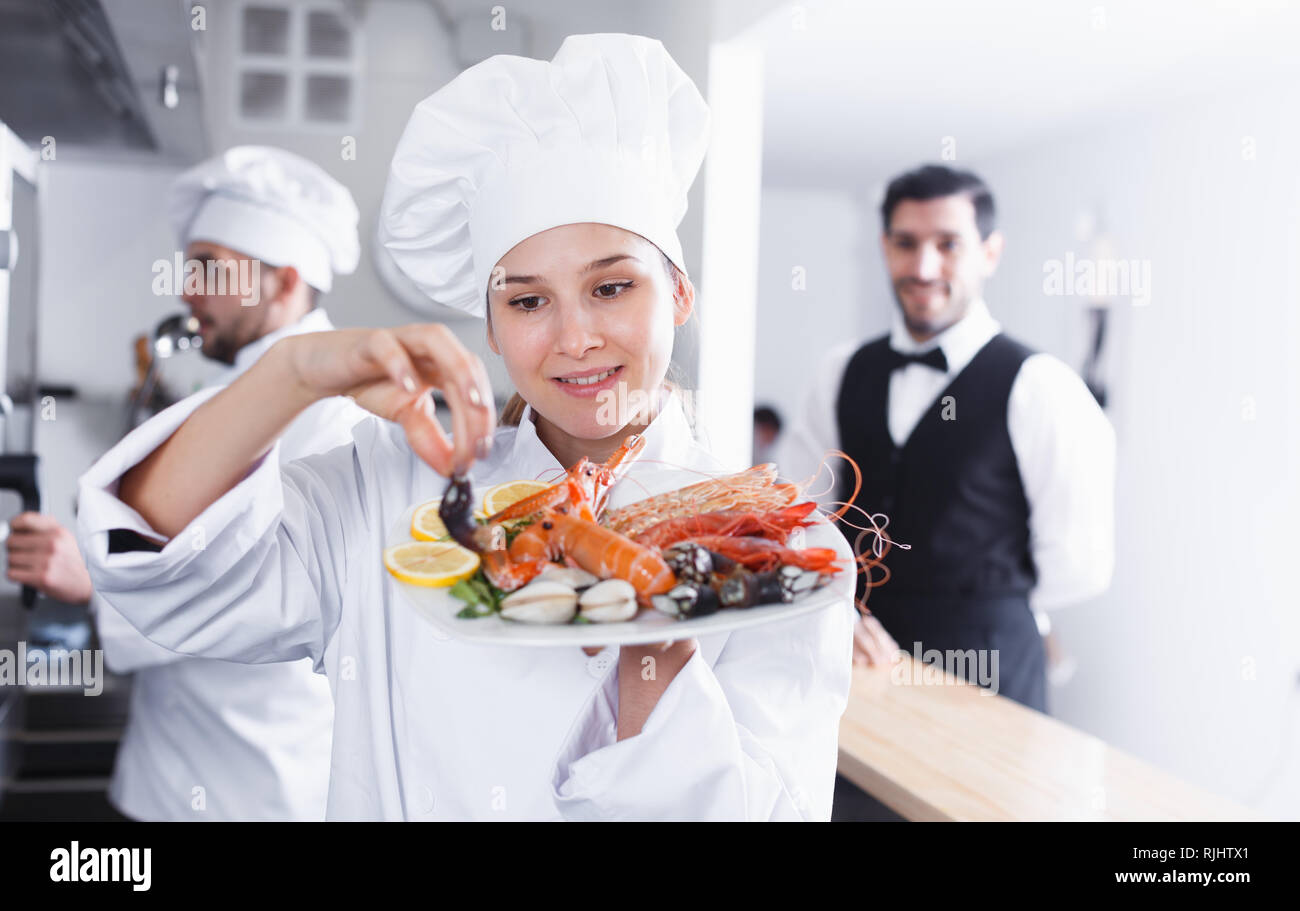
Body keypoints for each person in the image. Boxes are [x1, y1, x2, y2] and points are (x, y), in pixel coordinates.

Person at [75, 34, 855, 821]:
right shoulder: (392, 489)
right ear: (490, 325)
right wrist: (293, 372)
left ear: (680, 294)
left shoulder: (783, 549)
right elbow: (164, 566)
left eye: (612, 286)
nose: (575, 337)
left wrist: (651, 623)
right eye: (527, 301)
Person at [8, 146, 368, 820]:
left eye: (208, 267)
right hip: (162, 775)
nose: (186, 288)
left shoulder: (336, 421)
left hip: (254, 792)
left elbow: (268, 592)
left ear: (283, 281)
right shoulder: (232, 391)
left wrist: (95, 578)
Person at [778, 164, 1115, 818]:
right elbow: (794, 517)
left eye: (948, 243)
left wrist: (974, 600)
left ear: (990, 252)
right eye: (905, 242)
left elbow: (1079, 562)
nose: (924, 264)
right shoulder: (841, 371)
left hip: (990, 682)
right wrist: (835, 610)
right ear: (884, 248)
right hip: (854, 672)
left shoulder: (1042, 385)